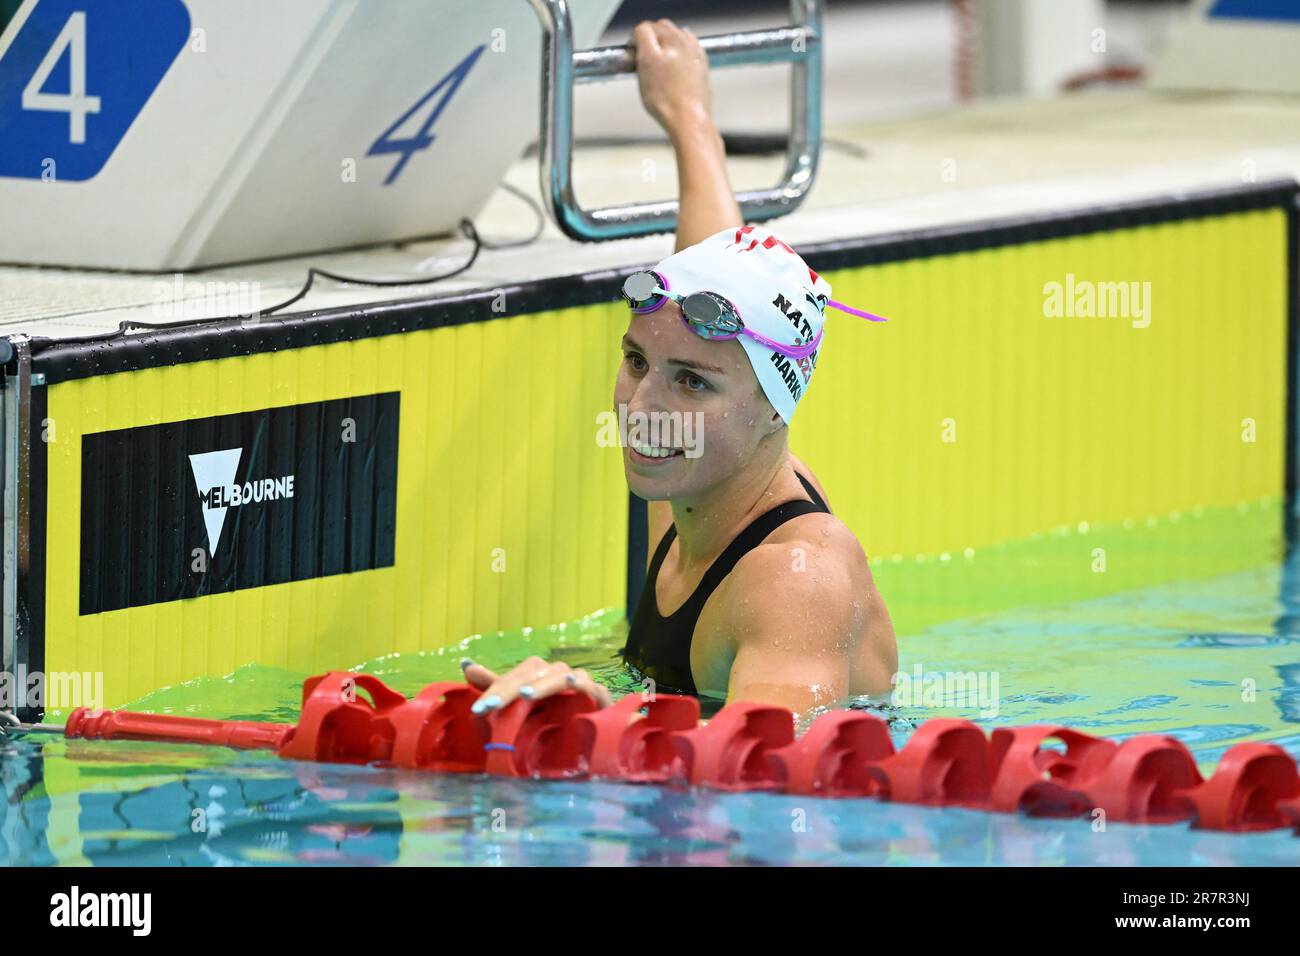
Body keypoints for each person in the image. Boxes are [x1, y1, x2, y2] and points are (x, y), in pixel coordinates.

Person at [462, 18, 897, 721]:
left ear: (773, 410)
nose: (643, 406)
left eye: (692, 381)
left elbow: (767, 787)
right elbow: (715, 260)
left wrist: (601, 717)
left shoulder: (794, 583)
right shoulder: (700, 476)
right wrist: (690, 119)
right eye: (636, 360)